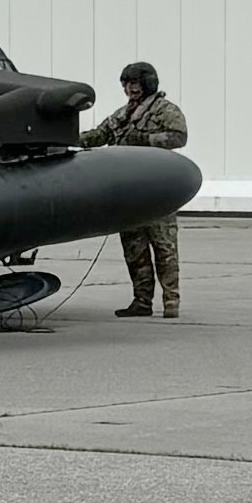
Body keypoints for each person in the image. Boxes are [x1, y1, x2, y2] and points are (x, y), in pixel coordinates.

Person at [80, 58, 189, 317]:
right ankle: (142, 301)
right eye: (127, 83)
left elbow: (178, 136)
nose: (131, 88)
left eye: (136, 83)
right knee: (134, 250)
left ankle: (171, 301)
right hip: (131, 195)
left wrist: (146, 140)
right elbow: (100, 134)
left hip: (158, 193)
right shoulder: (122, 115)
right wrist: (67, 139)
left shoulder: (165, 110)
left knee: (165, 249)